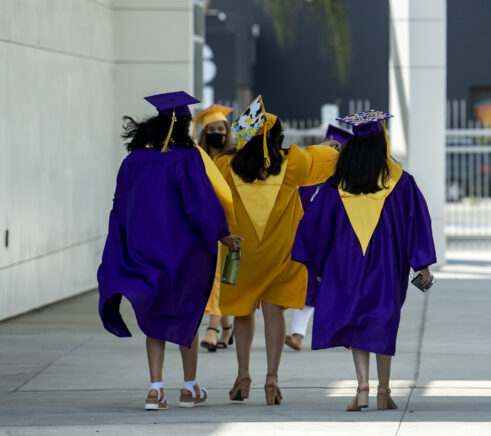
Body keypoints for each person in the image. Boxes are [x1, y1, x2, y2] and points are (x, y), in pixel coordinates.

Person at [97, 91, 242, 410]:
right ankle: (189, 388)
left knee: (155, 316)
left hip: (143, 250)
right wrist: (222, 234)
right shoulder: (187, 157)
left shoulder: (134, 160)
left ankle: (155, 389)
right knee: (185, 314)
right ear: (183, 126)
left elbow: (119, 204)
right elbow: (200, 206)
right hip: (183, 253)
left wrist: (120, 241)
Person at [292, 110, 436, 411]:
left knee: (356, 320)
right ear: (381, 142)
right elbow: (416, 223)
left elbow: (316, 225)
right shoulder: (401, 182)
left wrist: (316, 264)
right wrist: (421, 263)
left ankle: (362, 386)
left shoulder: (338, 183)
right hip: (387, 263)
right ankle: (384, 390)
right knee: (382, 320)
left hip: (346, 263)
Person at [216, 95, 338, 405]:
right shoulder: (292, 163)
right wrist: (334, 147)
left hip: (240, 252)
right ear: (276, 136)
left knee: (242, 312)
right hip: (281, 252)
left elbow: (209, 195)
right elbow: (322, 160)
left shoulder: (226, 165)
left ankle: (243, 375)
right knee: (274, 312)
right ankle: (272, 378)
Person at [285, 124, 353, 351]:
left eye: (337, 150)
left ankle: (346, 331)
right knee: (310, 288)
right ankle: (298, 334)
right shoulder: (310, 179)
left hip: (340, 243)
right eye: (329, 149)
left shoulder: (348, 181)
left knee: (342, 286)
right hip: (315, 241)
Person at [192, 104, 236, 352]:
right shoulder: (198, 157)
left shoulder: (234, 158)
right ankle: (227, 327)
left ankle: (212, 327)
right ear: (204, 132)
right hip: (205, 222)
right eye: (212, 129)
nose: (217, 132)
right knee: (215, 274)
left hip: (229, 222)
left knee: (221, 275)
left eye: (221, 128)